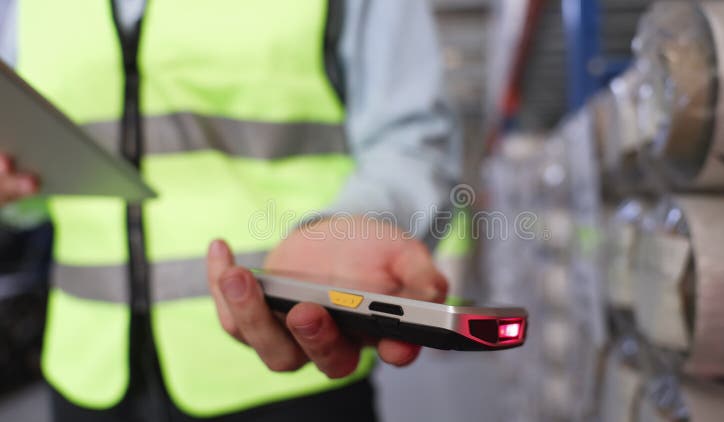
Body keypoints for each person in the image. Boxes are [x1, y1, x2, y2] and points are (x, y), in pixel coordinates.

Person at [0, 0, 461, 421]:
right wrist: (13, 190)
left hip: (288, 375)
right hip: (84, 374)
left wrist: (359, 221)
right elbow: (36, 178)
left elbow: (412, 140)